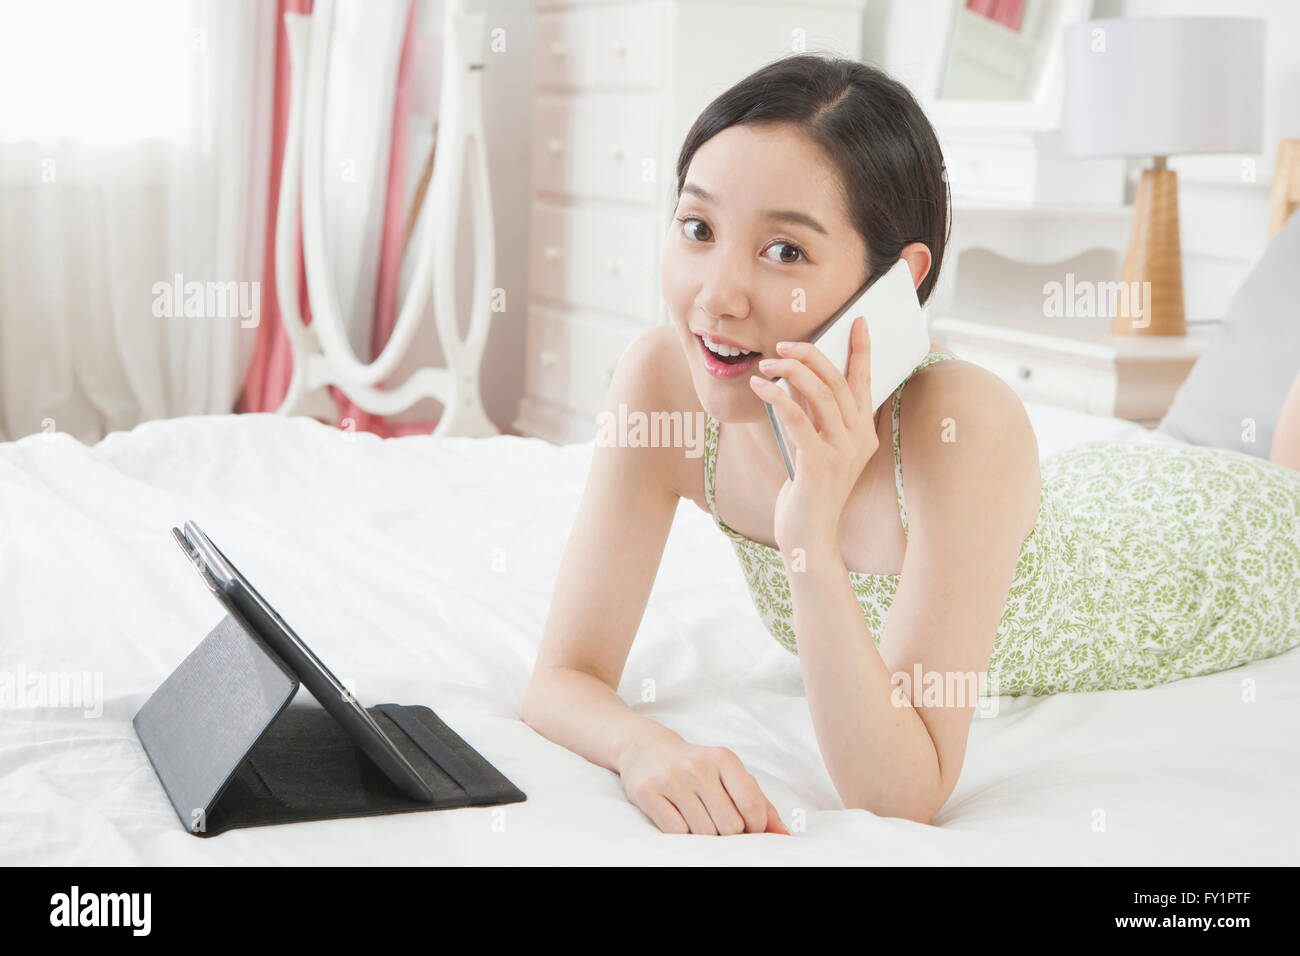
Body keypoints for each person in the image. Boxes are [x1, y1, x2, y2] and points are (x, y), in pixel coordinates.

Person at [521, 53, 1300, 836]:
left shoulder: (963, 422)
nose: (716, 297)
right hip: (1105, 486)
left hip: (1217, 549)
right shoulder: (661, 381)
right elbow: (563, 677)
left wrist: (809, 540)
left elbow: (900, 795)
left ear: (895, 278)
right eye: (698, 228)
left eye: (784, 251)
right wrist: (644, 746)